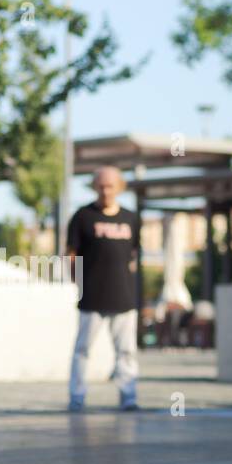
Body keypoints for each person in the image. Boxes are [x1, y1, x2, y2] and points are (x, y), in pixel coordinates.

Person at [67, 166, 141, 411]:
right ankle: (77, 398)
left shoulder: (131, 218)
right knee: (82, 351)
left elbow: (134, 255)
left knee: (126, 351)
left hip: (123, 297)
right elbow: (71, 255)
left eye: (110, 186)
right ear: (94, 186)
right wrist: (77, 284)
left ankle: (128, 397)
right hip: (91, 297)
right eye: (101, 186)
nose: (105, 190)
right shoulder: (82, 216)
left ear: (119, 187)